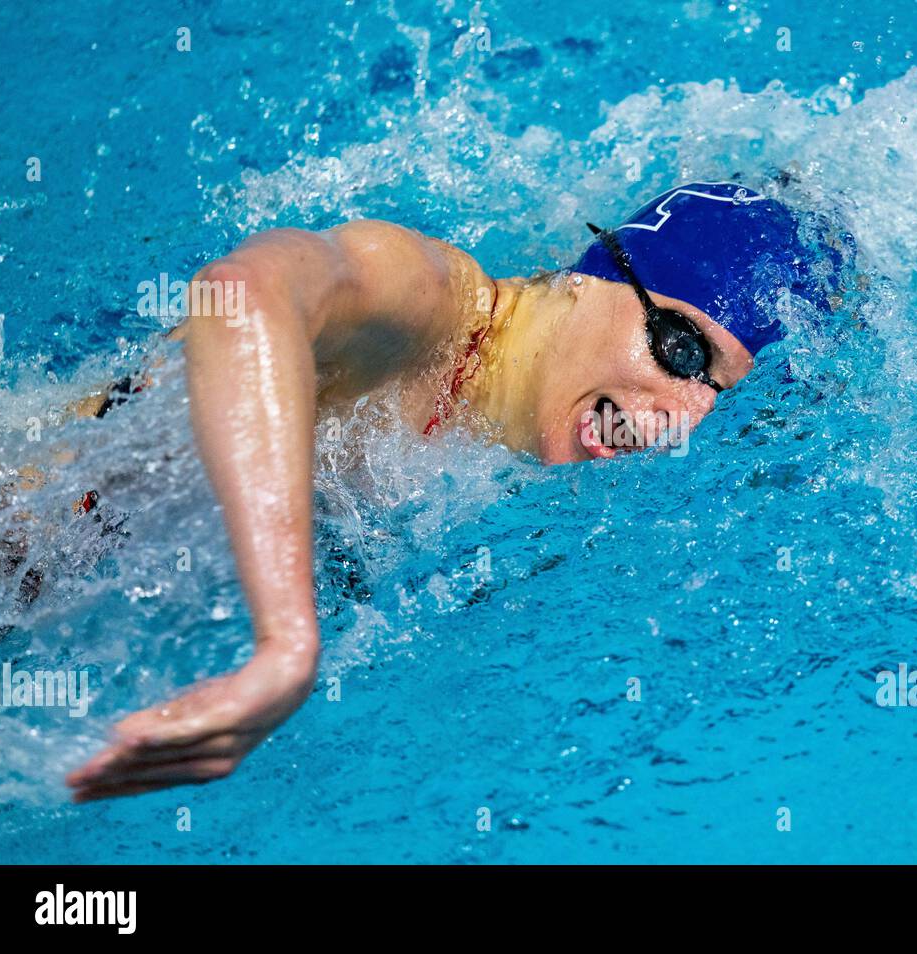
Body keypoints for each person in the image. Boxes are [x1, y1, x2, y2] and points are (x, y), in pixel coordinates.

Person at [53, 180, 848, 801]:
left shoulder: (505, 468)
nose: (675, 424)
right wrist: (286, 644)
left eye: (714, 401)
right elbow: (241, 295)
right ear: (590, 276)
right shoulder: (428, 304)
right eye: (680, 349)